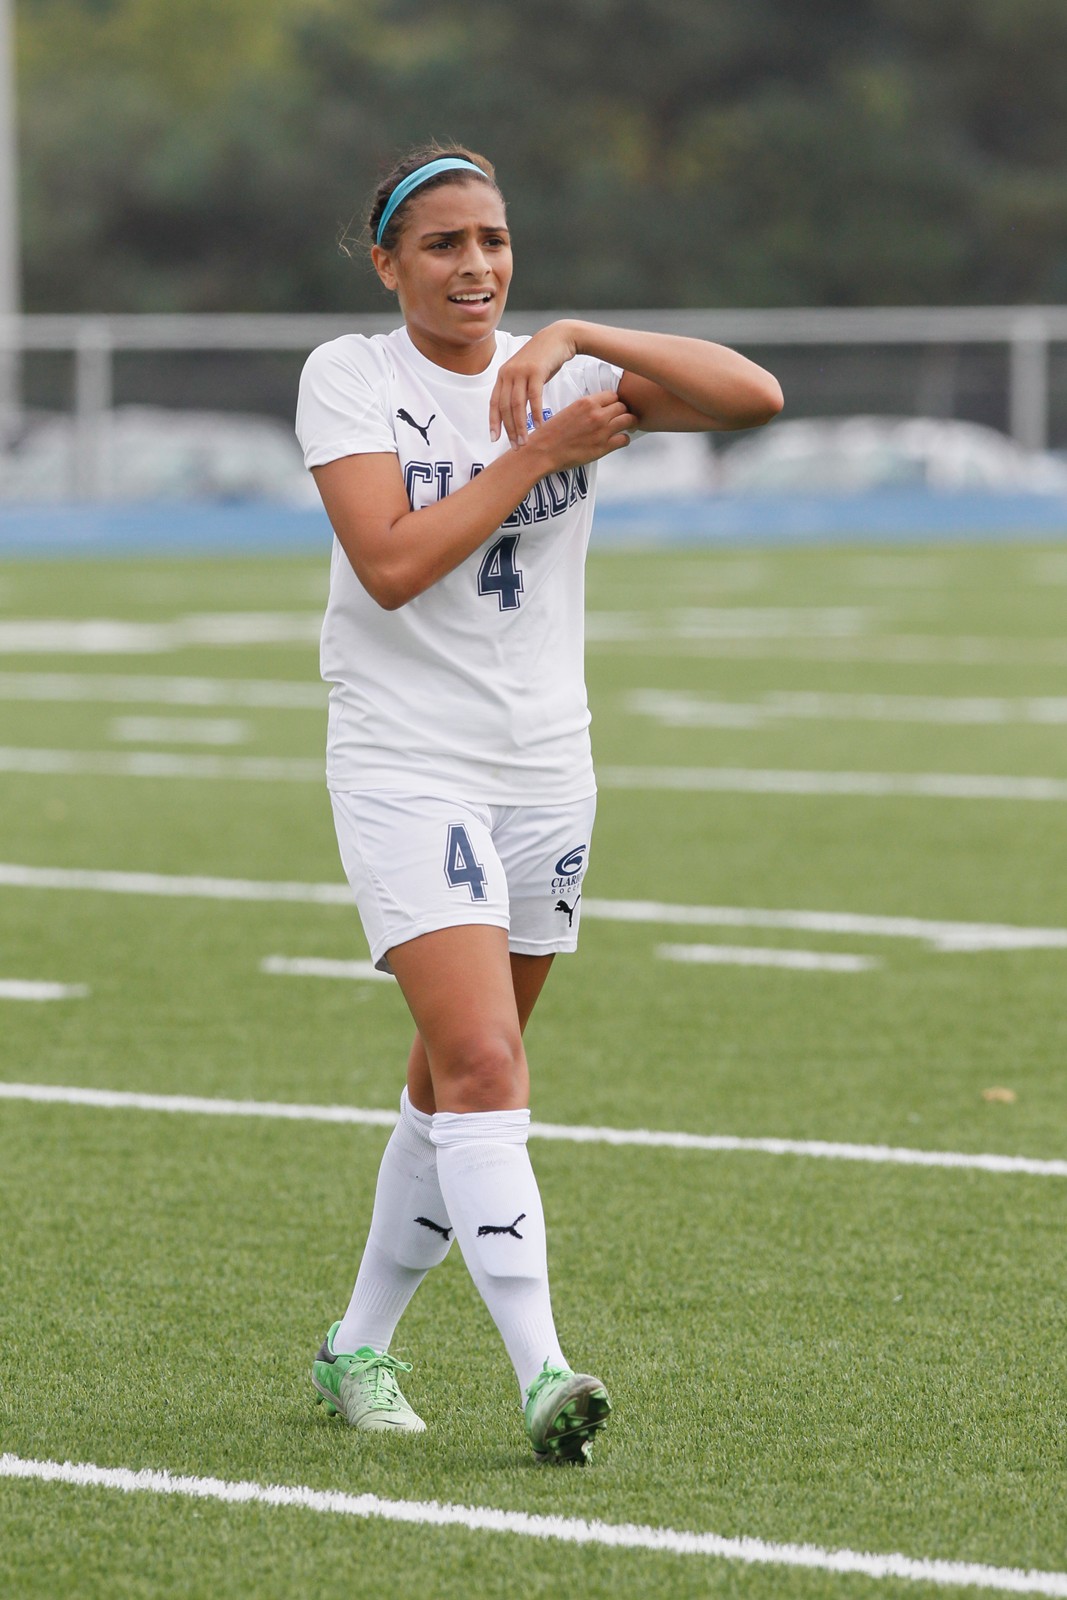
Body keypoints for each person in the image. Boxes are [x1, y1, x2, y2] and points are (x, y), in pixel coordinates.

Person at [295, 141, 782, 1463]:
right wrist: (546, 449)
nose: (474, 267)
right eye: (443, 245)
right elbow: (391, 564)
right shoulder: (351, 377)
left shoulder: (553, 366)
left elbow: (755, 396)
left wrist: (573, 336)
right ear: (388, 262)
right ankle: (543, 1370)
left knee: (455, 1074)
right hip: (408, 758)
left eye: (494, 242)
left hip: (546, 765)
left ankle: (356, 1346)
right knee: (489, 1065)